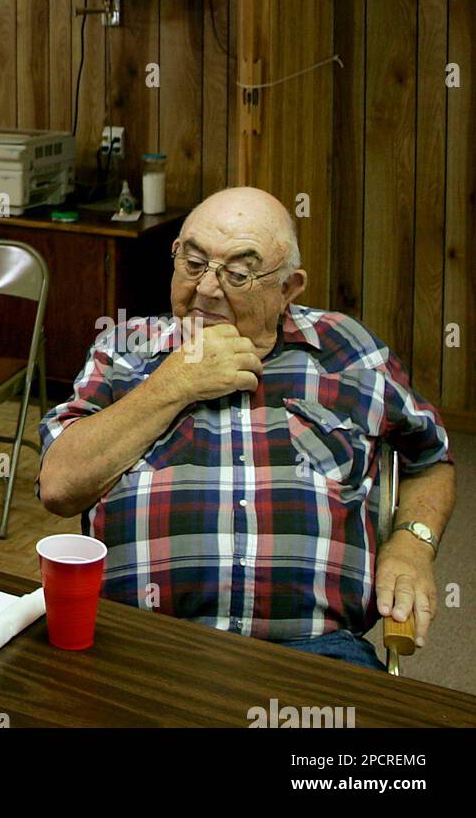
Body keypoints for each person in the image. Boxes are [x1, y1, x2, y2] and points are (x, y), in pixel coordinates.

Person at [37, 186, 455, 672]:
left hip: (314, 653)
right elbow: (58, 487)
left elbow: (432, 459)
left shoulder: (348, 351)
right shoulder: (124, 349)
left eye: (238, 273)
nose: (208, 289)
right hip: (140, 646)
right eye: (192, 263)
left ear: (289, 288)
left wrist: (413, 540)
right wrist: (175, 383)